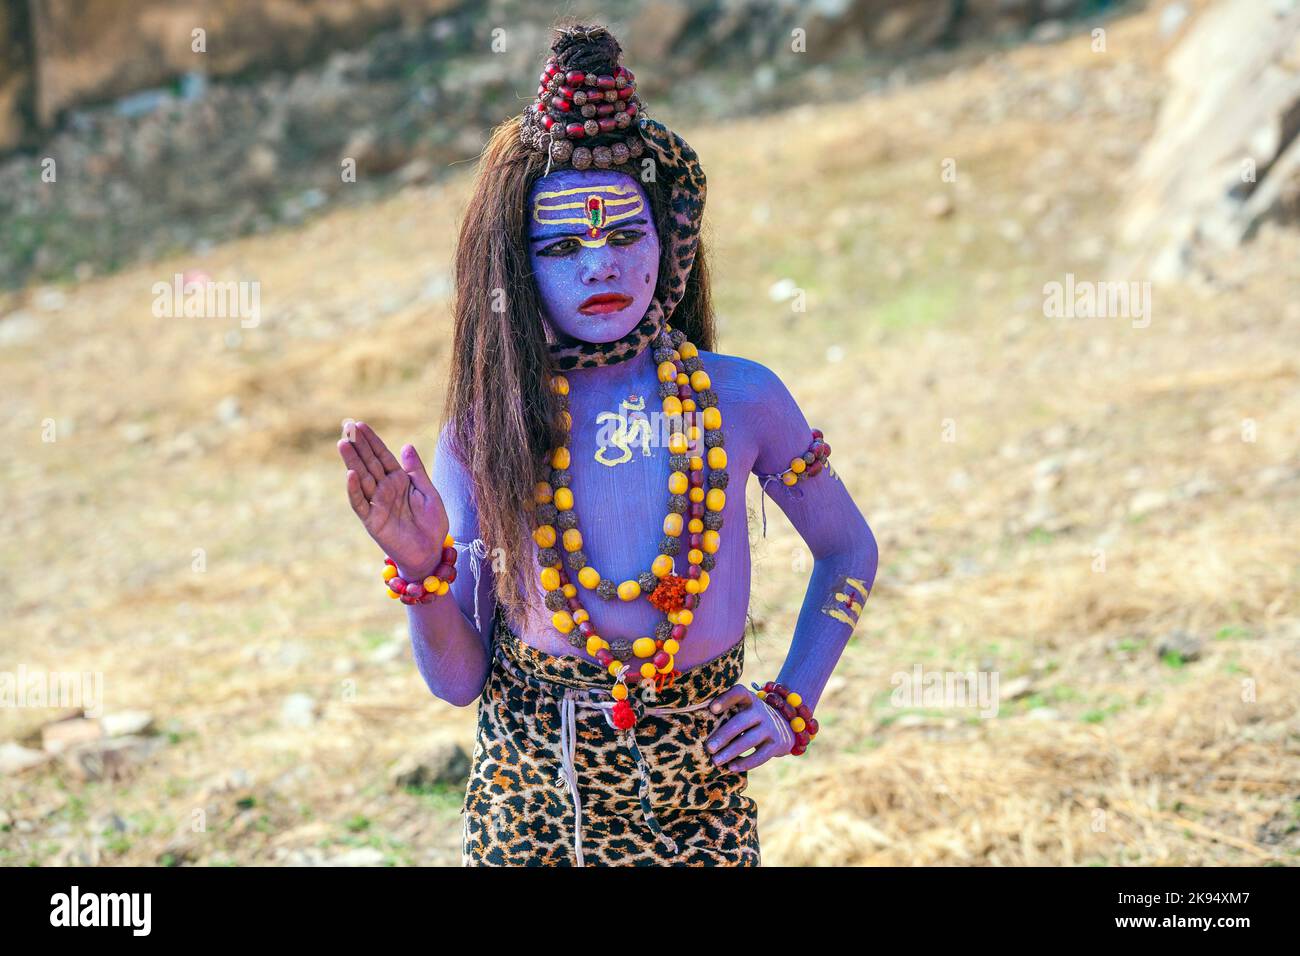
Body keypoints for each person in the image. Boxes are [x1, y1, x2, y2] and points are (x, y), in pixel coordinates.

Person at [337, 23, 877, 866]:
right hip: (531, 794)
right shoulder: (487, 428)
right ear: (517, 267)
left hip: (699, 788)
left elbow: (847, 551)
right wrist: (423, 570)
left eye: (625, 235)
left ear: (670, 247)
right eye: (561, 246)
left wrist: (790, 704)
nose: (601, 267)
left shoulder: (742, 398)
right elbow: (458, 683)